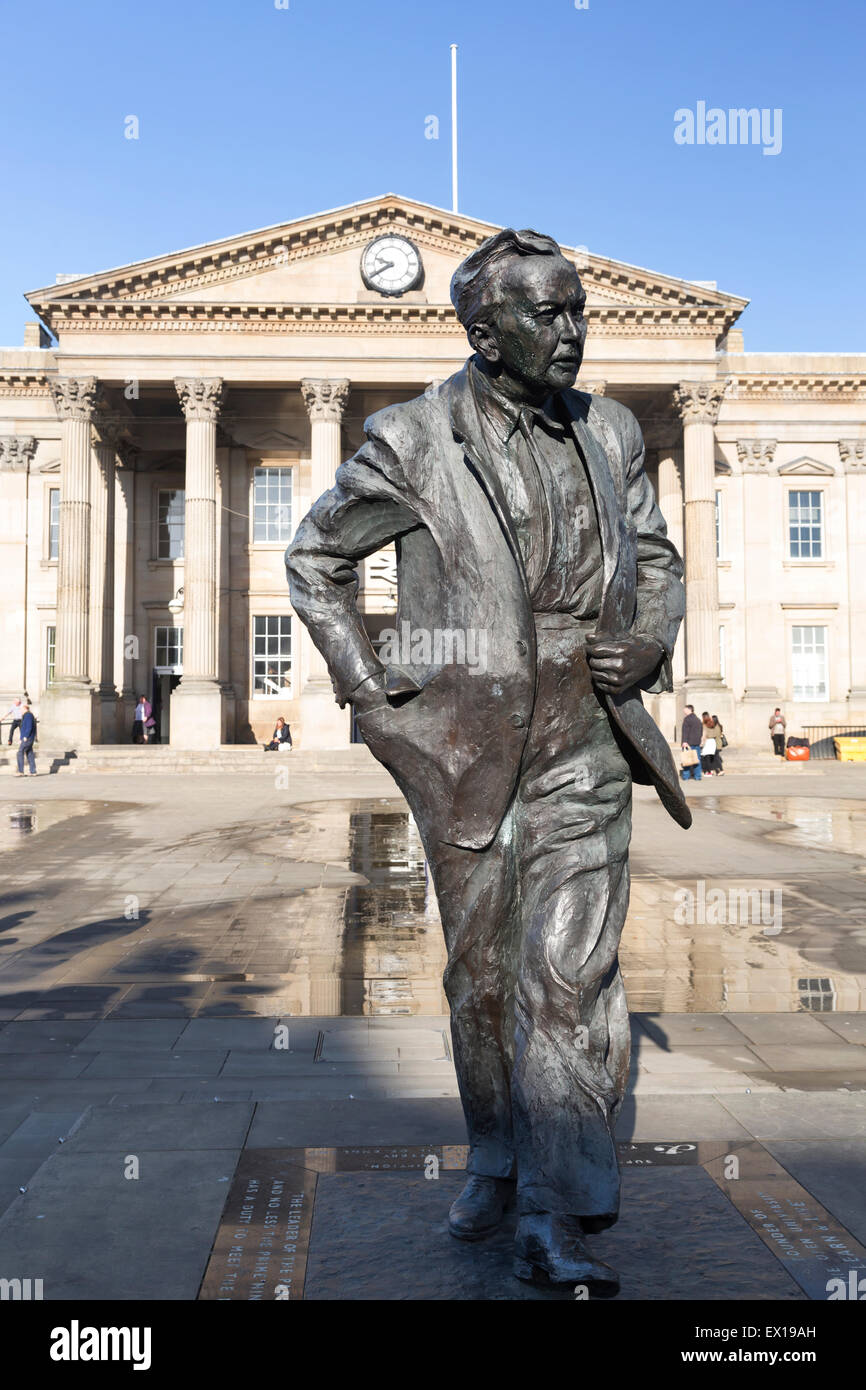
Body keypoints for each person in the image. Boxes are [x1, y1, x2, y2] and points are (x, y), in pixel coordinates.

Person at [286, 226, 690, 1295]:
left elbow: (653, 559)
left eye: (576, 309)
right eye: (547, 314)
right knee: (479, 978)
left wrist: (648, 636)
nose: (572, 331)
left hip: (589, 733)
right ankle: (497, 1154)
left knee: (565, 975)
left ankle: (557, 1214)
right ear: (482, 329)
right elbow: (314, 560)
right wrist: (370, 701)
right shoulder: (411, 437)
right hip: (464, 743)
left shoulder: (609, 430)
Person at [680, 704, 703, 780]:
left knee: (687, 760)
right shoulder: (697, 719)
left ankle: (686, 776)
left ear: (689, 709)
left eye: (685, 709)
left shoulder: (687, 719)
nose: (683, 710)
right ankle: (698, 776)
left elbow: (685, 732)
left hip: (688, 743)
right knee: (696, 760)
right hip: (696, 742)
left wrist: (684, 741)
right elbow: (701, 732)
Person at [14, 702, 37, 777]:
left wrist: (25, 737)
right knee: (29, 753)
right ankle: (33, 771)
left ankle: (21, 771)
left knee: (20, 752)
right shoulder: (27, 715)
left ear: (25, 709)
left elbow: (28, 727)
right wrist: (21, 738)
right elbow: (24, 728)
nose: (20, 710)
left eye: (21, 709)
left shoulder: (28, 715)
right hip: (28, 738)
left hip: (28, 738)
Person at [700, 711, 721, 776]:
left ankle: (708, 772)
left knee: (706, 758)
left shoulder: (704, 724)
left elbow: (704, 734)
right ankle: (711, 771)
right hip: (713, 741)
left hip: (707, 741)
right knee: (710, 757)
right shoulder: (713, 723)